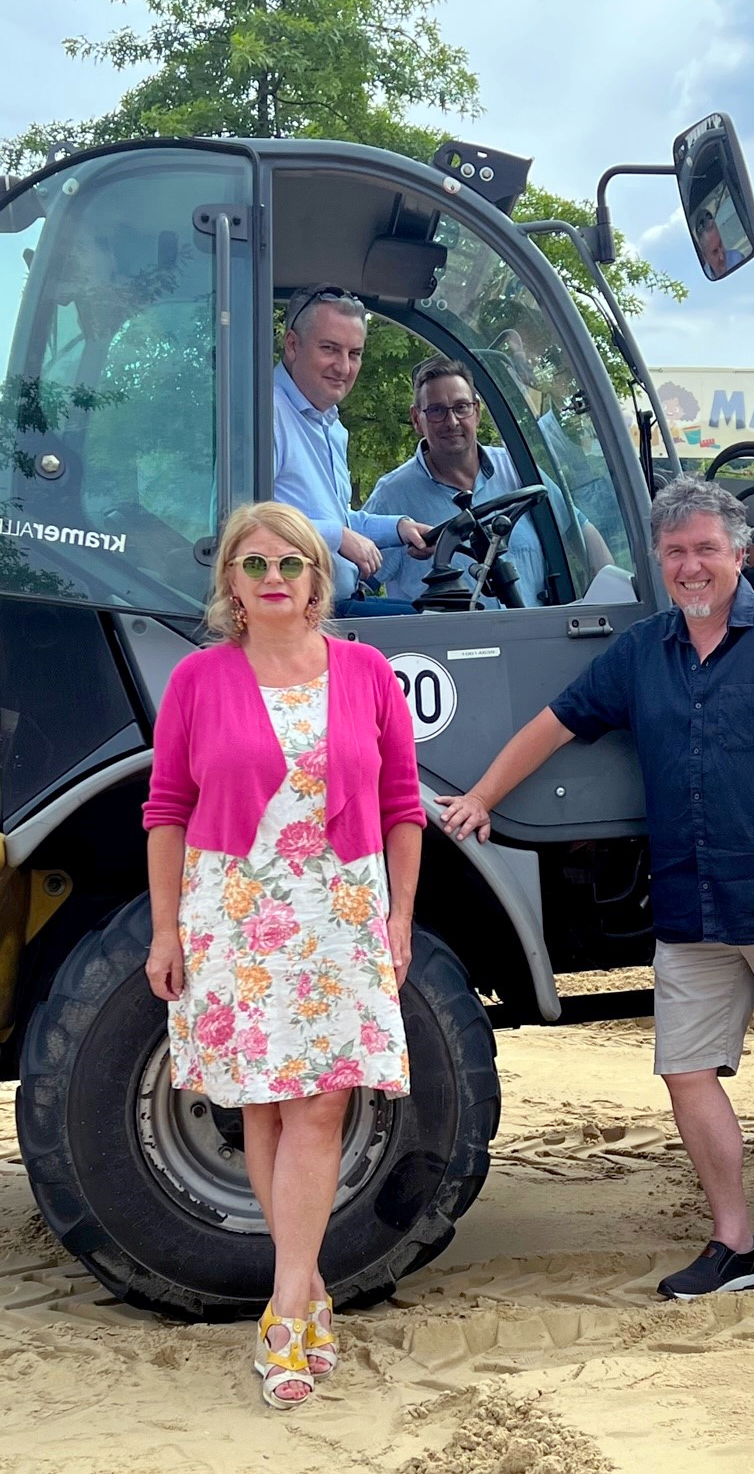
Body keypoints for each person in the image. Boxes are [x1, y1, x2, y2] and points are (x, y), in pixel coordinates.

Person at [437, 478, 754, 1298]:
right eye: (674, 553)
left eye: (705, 549)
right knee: (687, 1070)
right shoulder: (642, 651)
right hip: (693, 901)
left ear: (739, 553)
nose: (691, 566)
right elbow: (557, 722)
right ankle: (735, 1244)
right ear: (657, 563)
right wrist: (481, 795)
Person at [142, 501, 425, 1408]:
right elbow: (166, 810)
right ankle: (307, 1291)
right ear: (231, 581)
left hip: (340, 913)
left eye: (290, 563)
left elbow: (403, 806)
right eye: (255, 563)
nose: (273, 578)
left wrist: (400, 917)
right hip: (234, 913)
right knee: (262, 1105)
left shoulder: (367, 671)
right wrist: (165, 930)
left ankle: (285, 1310)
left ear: (316, 578)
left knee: (322, 1099)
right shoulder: (197, 679)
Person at [363, 355, 613, 606]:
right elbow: (353, 582)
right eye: (437, 410)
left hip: (537, 629)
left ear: (477, 412)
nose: (452, 422)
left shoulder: (519, 470)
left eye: (461, 407)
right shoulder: (391, 497)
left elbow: (582, 536)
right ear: (417, 419)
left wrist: (612, 601)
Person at [273, 284, 434, 616]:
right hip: (292, 616)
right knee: (441, 630)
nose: (344, 368)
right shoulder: (264, 413)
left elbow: (340, 521)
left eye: (354, 354)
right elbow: (243, 522)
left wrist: (400, 528)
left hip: (336, 604)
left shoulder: (330, 425)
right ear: (292, 345)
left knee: (445, 618)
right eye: (330, 349)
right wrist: (338, 537)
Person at [693, 210, 744, 280]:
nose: (721, 257)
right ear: (705, 256)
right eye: (715, 252)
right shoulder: (703, 280)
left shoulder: (738, 259)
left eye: (720, 245)